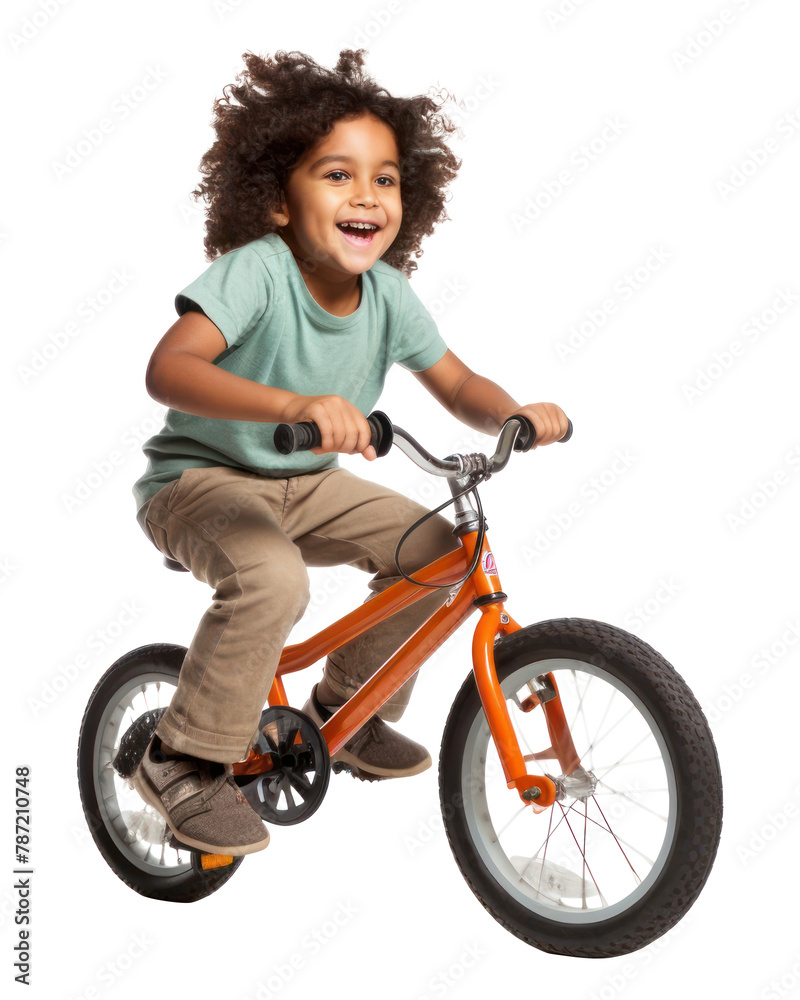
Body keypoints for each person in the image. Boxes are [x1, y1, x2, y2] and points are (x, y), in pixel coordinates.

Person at [130, 48, 569, 857]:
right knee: (271, 580)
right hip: (200, 481)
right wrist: (293, 406)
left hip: (306, 480)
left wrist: (512, 414)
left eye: (387, 178)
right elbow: (170, 369)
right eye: (337, 175)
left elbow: (459, 381)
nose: (367, 194)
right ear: (275, 202)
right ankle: (180, 758)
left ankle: (345, 715)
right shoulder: (256, 275)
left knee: (440, 553)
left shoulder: (390, 295)